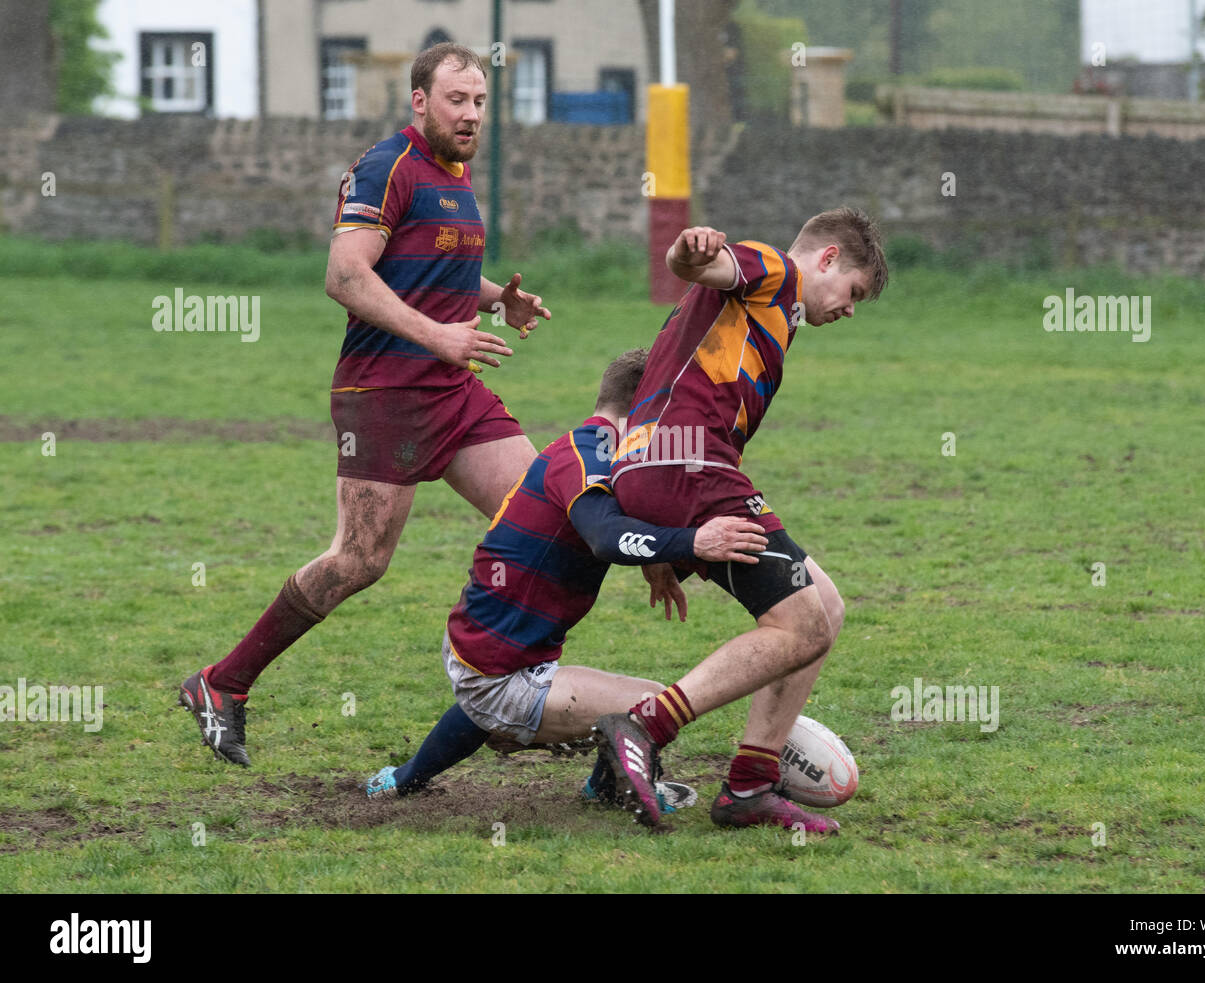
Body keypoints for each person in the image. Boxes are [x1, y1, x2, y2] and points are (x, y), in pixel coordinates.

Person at [179, 43, 550, 766]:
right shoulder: (388, 167)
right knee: (358, 560)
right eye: (457, 101)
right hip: (384, 396)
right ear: (419, 100)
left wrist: (496, 300)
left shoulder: (456, 174)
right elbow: (346, 276)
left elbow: (427, 269)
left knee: (544, 516)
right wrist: (439, 336)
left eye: (479, 102)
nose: (472, 114)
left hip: (453, 391)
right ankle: (221, 683)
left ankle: (510, 695)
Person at [362, 350, 770, 815]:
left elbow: (617, 519)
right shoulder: (589, 457)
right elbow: (605, 536)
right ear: (646, 409)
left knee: (509, 692)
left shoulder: (591, 448)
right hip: (496, 671)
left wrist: (656, 559)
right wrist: (695, 540)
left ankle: (404, 778)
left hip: (481, 647)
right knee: (653, 703)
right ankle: (607, 787)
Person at [595, 208, 889, 832]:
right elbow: (704, 264)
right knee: (804, 622)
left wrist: (661, 542)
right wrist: (689, 250)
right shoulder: (777, 272)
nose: (850, 308)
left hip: (671, 471)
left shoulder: (769, 312)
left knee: (825, 609)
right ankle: (643, 728)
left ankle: (750, 786)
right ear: (829, 258)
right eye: (855, 291)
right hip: (689, 468)